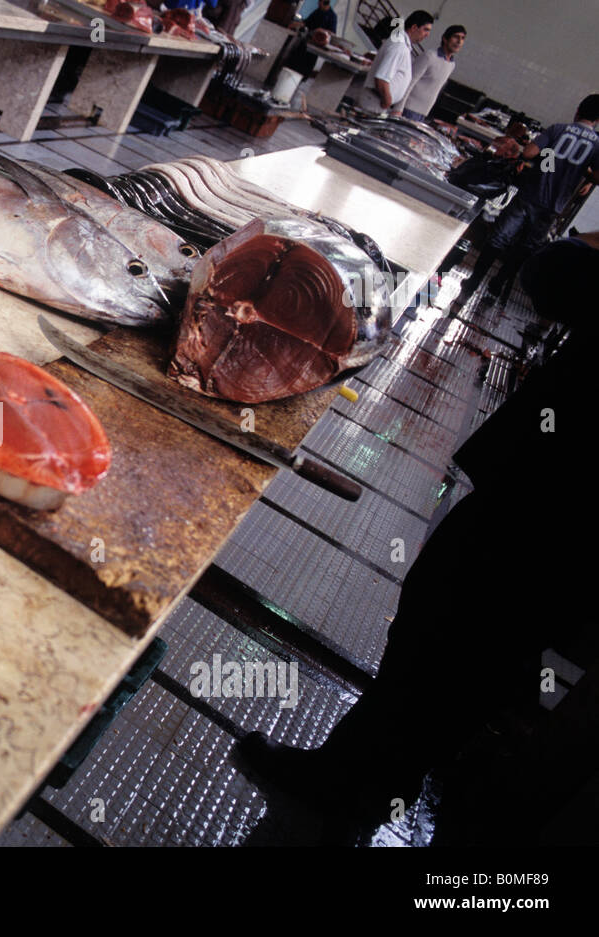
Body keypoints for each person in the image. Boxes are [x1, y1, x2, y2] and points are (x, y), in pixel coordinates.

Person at [234, 232, 595, 845]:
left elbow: (554, 272)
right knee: (458, 678)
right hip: (553, 544)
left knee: (434, 657)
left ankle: (337, 787)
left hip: (532, 532)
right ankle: (363, 791)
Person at [454, 93, 599, 308]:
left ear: (578, 110)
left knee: (498, 240)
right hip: (553, 205)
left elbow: (530, 153)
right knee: (524, 249)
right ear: (597, 121)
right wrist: (581, 170)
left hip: (530, 195)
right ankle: (495, 290)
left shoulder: (558, 129)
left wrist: (551, 156)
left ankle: (472, 283)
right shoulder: (597, 144)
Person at [355, 10, 433, 116]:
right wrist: (387, 102)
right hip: (375, 101)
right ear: (414, 27)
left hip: (377, 101)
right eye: (425, 30)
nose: (427, 35)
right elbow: (381, 79)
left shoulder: (403, 45)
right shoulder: (399, 46)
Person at [399, 23, 466, 122]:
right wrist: (398, 108)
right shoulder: (429, 56)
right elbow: (409, 81)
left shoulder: (451, 64)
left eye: (463, 38)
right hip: (407, 109)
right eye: (456, 37)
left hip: (423, 113)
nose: (459, 41)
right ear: (445, 39)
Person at [286, 0, 338, 78]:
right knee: (293, 63)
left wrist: (321, 30)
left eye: (319, 3)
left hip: (316, 46)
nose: (318, 4)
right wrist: (294, 24)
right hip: (307, 42)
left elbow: (333, 33)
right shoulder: (317, 11)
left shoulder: (332, 16)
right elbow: (306, 22)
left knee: (304, 69)